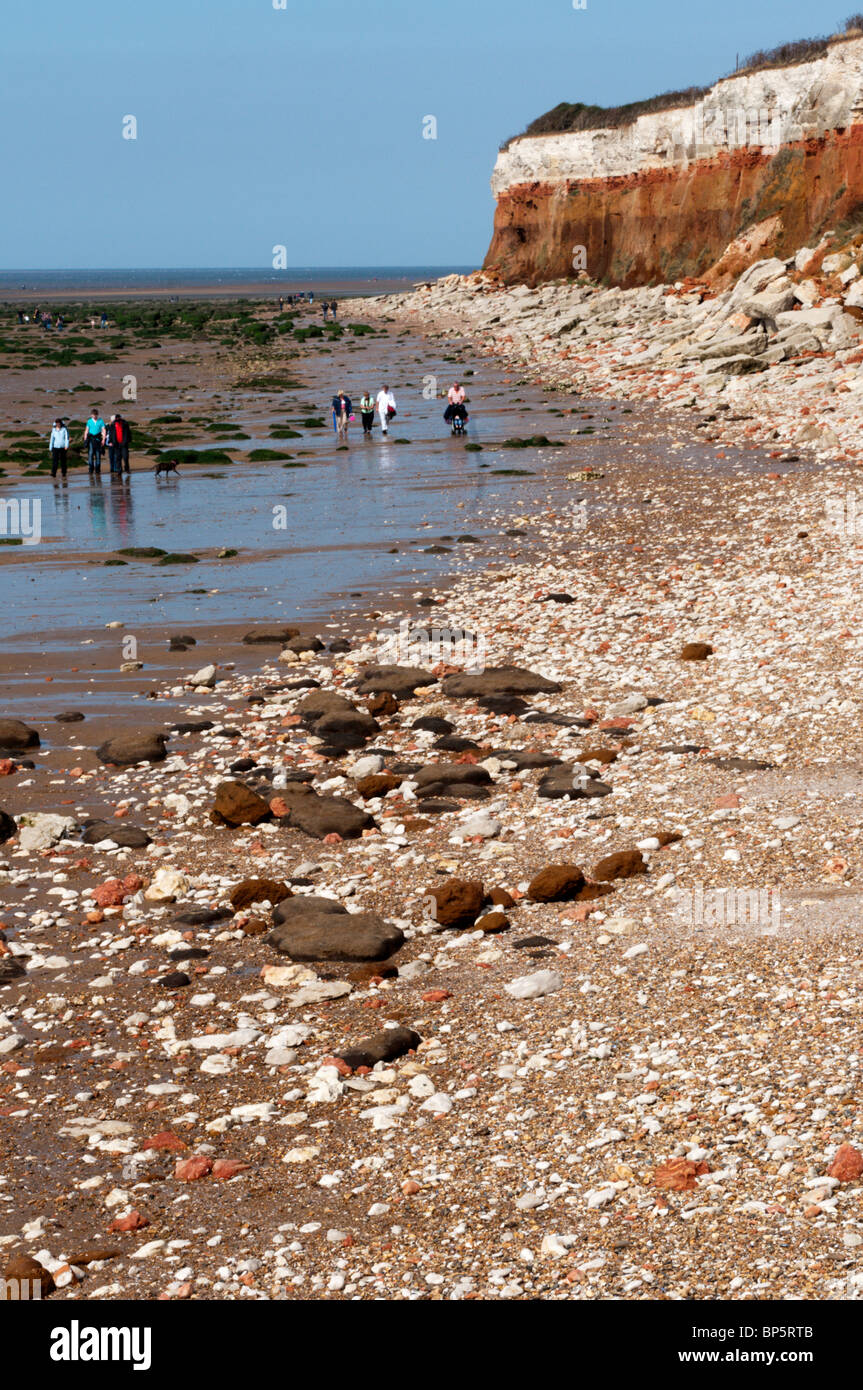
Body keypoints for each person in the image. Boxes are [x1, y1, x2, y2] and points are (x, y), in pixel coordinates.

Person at [84, 408, 106, 473]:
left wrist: (103, 439)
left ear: (97, 415)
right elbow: (86, 430)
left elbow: (104, 430)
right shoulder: (89, 421)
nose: (95, 416)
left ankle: (98, 469)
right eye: (93, 415)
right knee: (90, 454)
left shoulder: (101, 421)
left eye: (96, 415)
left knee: (98, 454)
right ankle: (91, 468)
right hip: (91, 439)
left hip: (98, 439)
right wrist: (85, 439)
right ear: (91, 415)